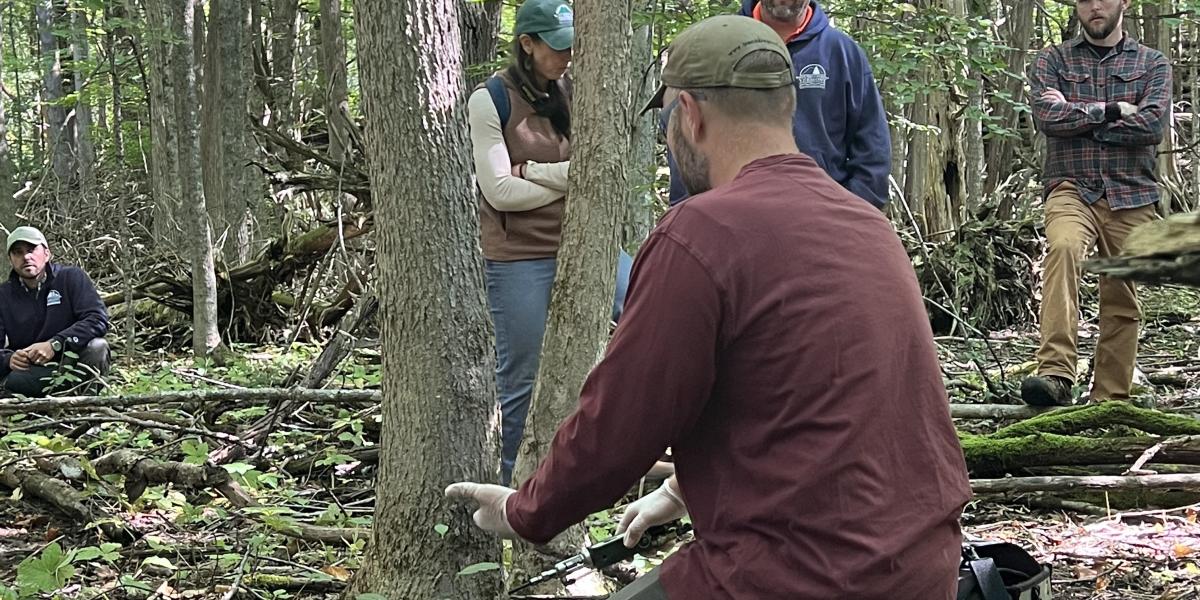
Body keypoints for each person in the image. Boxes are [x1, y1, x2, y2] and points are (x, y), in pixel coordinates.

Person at [448, 16, 971, 599]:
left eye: (670, 117)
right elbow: (839, 401)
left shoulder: (699, 233)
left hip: (798, 575)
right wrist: (677, 494)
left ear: (690, 114)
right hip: (924, 564)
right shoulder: (869, 226)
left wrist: (525, 511)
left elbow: (618, 425)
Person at [466, 0, 633, 486]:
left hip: (586, 241)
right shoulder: (490, 100)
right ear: (527, 45)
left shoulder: (573, 90)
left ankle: (617, 453)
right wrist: (570, 177)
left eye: (572, 46)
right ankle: (519, 485)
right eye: (557, 48)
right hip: (518, 258)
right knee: (522, 378)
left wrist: (537, 171)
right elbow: (499, 191)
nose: (567, 57)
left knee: (648, 310)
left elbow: (593, 170)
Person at [1021, 0, 1170, 407]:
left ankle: (1109, 400)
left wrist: (1085, 123)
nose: (1095, 6)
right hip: (1072, 186)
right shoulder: (1053, 59)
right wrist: (1112, 111)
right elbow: (1047, 116)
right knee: (1064, 248)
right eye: (1085, 0)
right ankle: (1055, 372)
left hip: (1132, 194)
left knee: (1123, 292)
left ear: (1125, 2)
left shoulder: (1151, 63)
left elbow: (1153, 125)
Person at [664, 0, 891, 209]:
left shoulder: (842, 53)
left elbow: (873, 152)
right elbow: (685, 135)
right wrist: (690, 213)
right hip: (732, 215)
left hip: (823, 215)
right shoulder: (719, 47)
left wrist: (847, 214)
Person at [0, 226, 110, 396]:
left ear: (47, 254)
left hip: (72, 364)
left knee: (98, 347)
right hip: (30, 371)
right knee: (12, 380)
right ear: (10, 259)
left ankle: (87, 407)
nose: (26, 257)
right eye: (18, 252)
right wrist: (9, 359)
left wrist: (55, 344)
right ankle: (34, 409)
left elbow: (97, 319)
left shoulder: (71, 278)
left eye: (31, 250)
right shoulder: (3, 295)